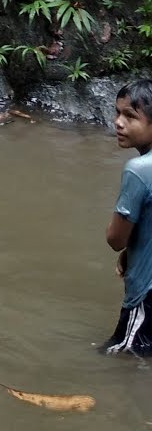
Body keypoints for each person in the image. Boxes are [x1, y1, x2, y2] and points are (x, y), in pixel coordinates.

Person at [103, 77, 152, 356]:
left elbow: (115, 239)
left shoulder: (139, 169)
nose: (119, 122)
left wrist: (125, 248)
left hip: (147, 293)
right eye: (117, 112)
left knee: (121, 361)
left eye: (130, 116)